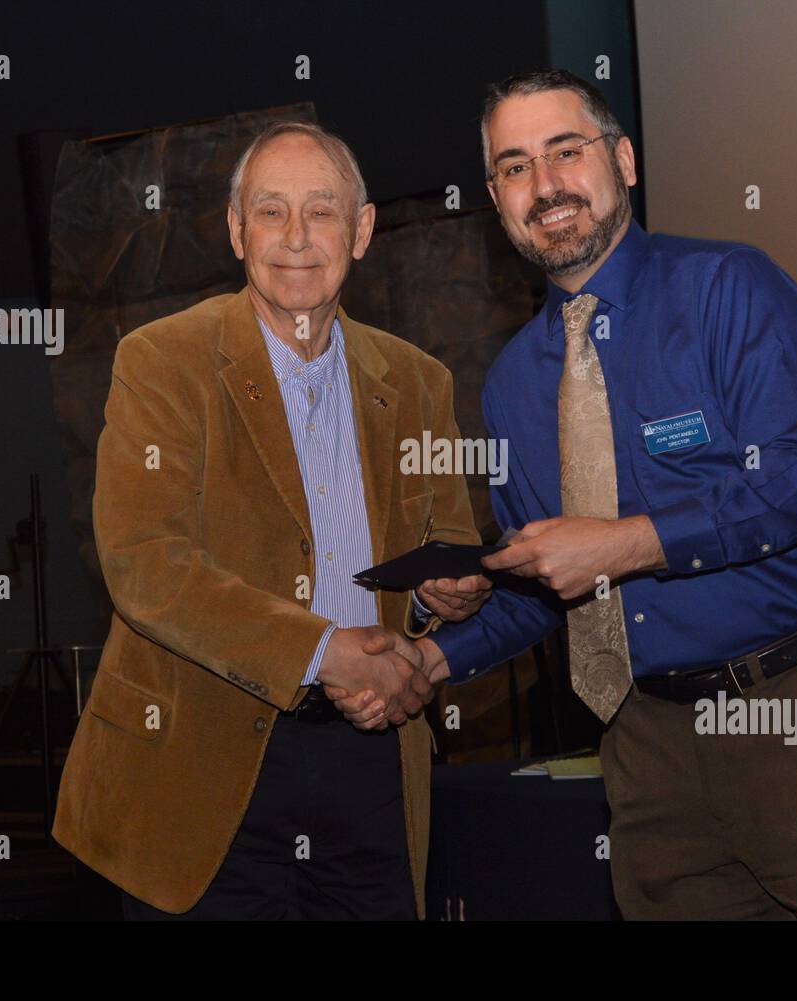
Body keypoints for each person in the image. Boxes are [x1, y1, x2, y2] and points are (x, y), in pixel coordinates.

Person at [339, 70, 797, 920]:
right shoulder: (514, 383)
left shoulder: (732, 288)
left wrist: (625, 542)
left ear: (622, 159)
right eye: (515, 167)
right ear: (495, 200)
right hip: (646, 749)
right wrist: (434, 656)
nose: (545, 184)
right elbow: (551, 588)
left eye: (565, 151)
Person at [53, 121, 487, 920]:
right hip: (200, 770)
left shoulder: (420, 383)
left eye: (321, 212)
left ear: (360, 231)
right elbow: (145, 564)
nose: (296, 237)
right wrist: (324, 653)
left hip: (373, 768)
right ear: (234, 229)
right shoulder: (161, 362)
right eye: (270, 211)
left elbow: (443, 551)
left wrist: (441, 597)